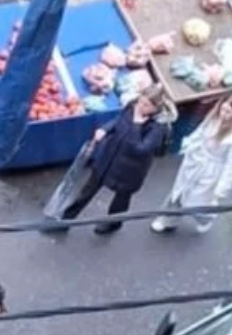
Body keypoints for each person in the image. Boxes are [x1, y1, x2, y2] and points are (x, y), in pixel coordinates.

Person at [54, 84, 170, 236]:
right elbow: (118, 120)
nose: (140, 107)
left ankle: (113, 223)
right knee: (87, 191)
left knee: (120, 200)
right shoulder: (133, 106)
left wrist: (136, 124)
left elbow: (141, 149)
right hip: (109, 157)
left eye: (146, 105)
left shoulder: (158, 127)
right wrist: (105, 129)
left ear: (156, 108)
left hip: (129, 170)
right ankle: (66, 219)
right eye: (141, 102)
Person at [151, 91, 232, 235]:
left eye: (228, 112)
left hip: (211, 172)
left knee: (195, 203)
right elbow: (200, 132)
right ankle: (167, 220)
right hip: (195, 160)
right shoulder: (214, 117)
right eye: (223, 108)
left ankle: (206, 218)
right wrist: (189, 144)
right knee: (178, 192)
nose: (223, 114)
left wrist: (222, 188)